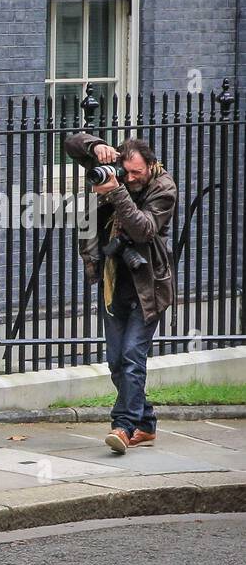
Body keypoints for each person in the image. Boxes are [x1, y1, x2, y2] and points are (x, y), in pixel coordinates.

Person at [64, 133, 177, 455]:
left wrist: (115, 191)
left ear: (151, 165)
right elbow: (70, 145)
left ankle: (123, 427)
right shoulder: (115, 167)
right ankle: (147, 423)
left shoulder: (164, 188)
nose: (130, 178)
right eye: (125, 172)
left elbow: (143, 230)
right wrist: (93, 146)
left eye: (137, 173)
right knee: (116, 361)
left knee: (131, 357)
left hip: (148, 288)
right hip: (114, 282)